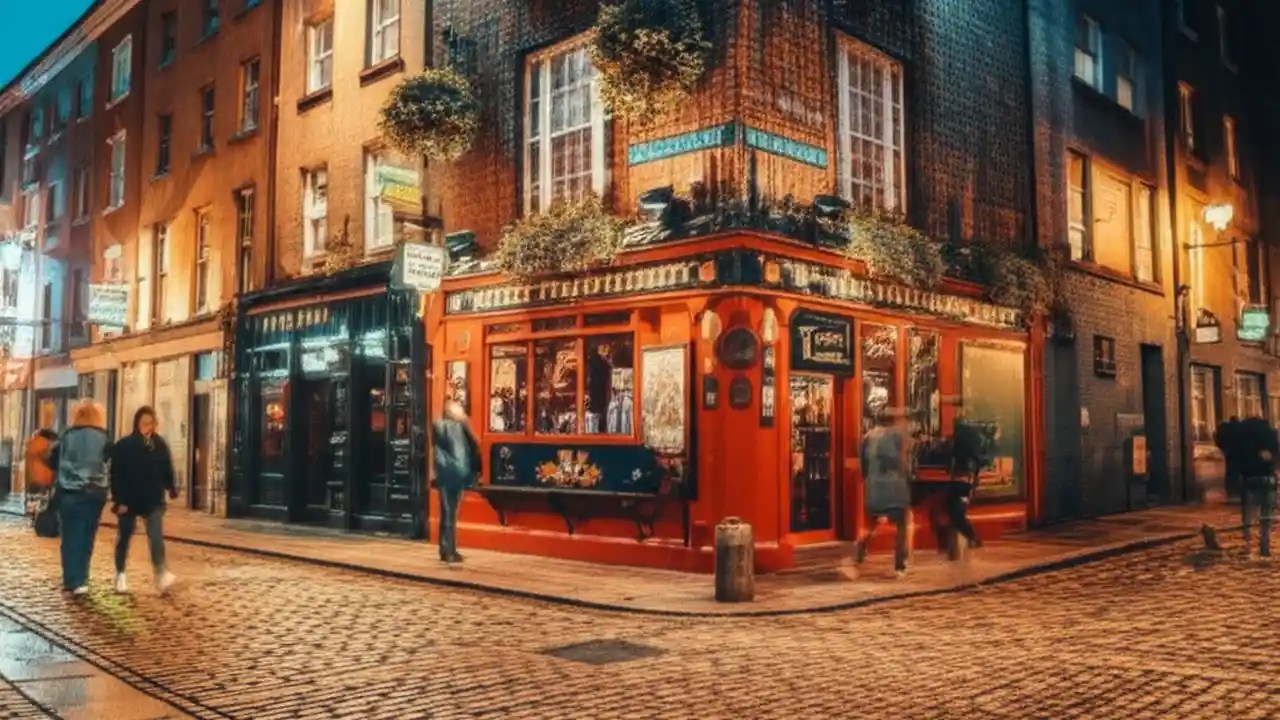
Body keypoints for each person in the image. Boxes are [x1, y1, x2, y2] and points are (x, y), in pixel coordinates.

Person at [109, 406, 178, 594]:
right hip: (129, 499)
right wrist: (119, 500)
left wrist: (170, 486)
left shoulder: (159, 444)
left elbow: (166, 466)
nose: (148, 427)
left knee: (156, 537)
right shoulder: (125, 445)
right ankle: (120, 574)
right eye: (144, 423)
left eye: (151, 423)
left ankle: (160, 573)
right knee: (124, 537)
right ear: (137, 424)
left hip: (153, 499)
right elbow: (116, 474)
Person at [46, 402, 111, 595]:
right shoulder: (103, 438)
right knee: (87, 536)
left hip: (69, 492)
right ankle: (82, 578)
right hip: (94, 493)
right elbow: (110, 463)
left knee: (70, 537)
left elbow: (51, 459)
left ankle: (72, 579)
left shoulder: (67, 436)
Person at [854, 409, 913, 577]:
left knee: (872, 522)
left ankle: (862, 544)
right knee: (901, 525)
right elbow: (902, 462)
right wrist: (908, 476)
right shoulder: (897, 435)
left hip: (874, 487)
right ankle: (899, 565)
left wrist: (870, 479)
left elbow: (863, 466)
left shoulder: (868, 437)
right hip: (895, 487)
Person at [432, 399, 481, 565]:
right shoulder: (446, 426)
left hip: (452, 474)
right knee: (449, 513)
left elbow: (473, 445)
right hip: (451, 474)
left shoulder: (454, 426)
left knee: (449, 513)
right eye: (458, 409)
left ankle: (447, 549)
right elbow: (473, 445)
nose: (461, 411)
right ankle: (448, 551)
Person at [1234, 415, 1277, 558]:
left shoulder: (1242, 440)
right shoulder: (1269, 437)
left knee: (1248, 516)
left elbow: (1236, 461)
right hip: (1267, 480)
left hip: (1249, 480)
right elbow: (1276, 456)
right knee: (1266, 516)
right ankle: (1264, 544)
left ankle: (1247, 544)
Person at [1215, 416, 1241, 499]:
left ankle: (1230, 489)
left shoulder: (1226, 429)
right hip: (1238, 452)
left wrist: (1224, 449)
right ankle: (1236, 489)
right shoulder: (1240, 429)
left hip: (1229, 452)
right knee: (1237, 471)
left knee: (1230, 471)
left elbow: (1219, 440)